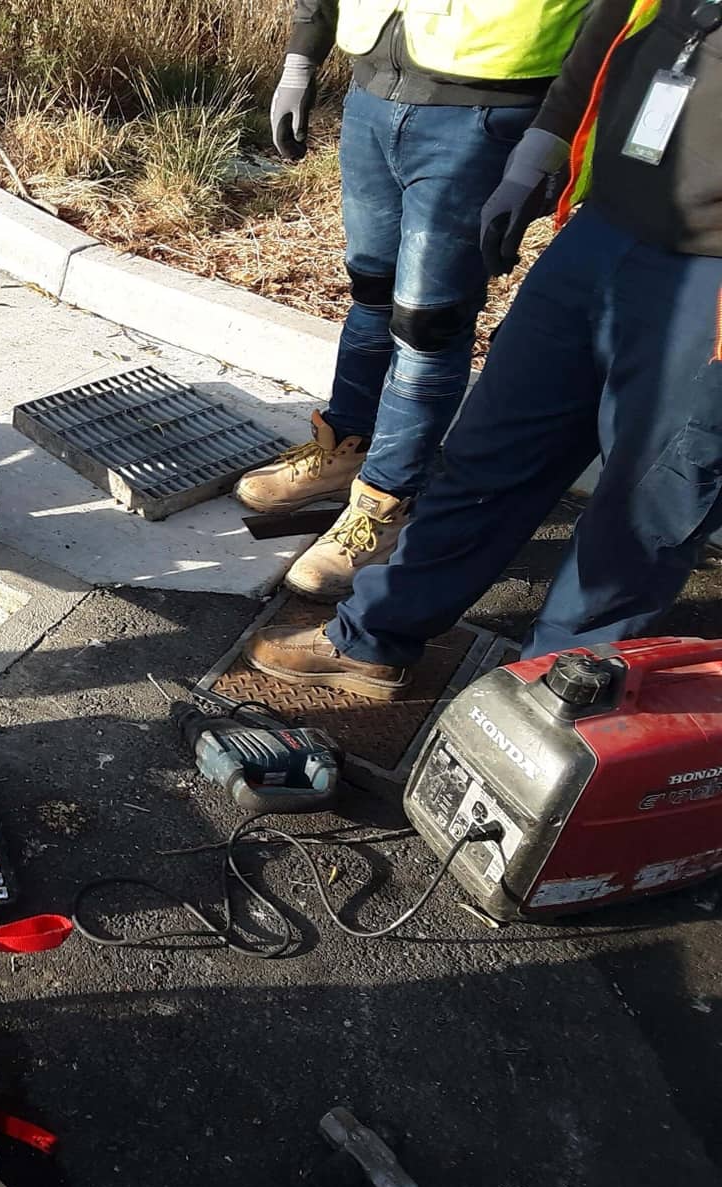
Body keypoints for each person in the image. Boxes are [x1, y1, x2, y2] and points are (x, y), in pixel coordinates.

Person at [244, 0, 722, 698]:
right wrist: (546, 142)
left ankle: (549, 698)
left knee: (645, 510)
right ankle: (372, 638)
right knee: (490, 449)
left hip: (711, 277)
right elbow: (610, 25)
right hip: (607, 226)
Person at [237, 0, 591, 600]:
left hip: (488, 115)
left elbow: (613, 25)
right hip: (374, 95)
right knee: (371, 290)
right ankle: (345, 447)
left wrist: (552, 140)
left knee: (429, 323)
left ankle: (386, 501)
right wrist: (302, 54)